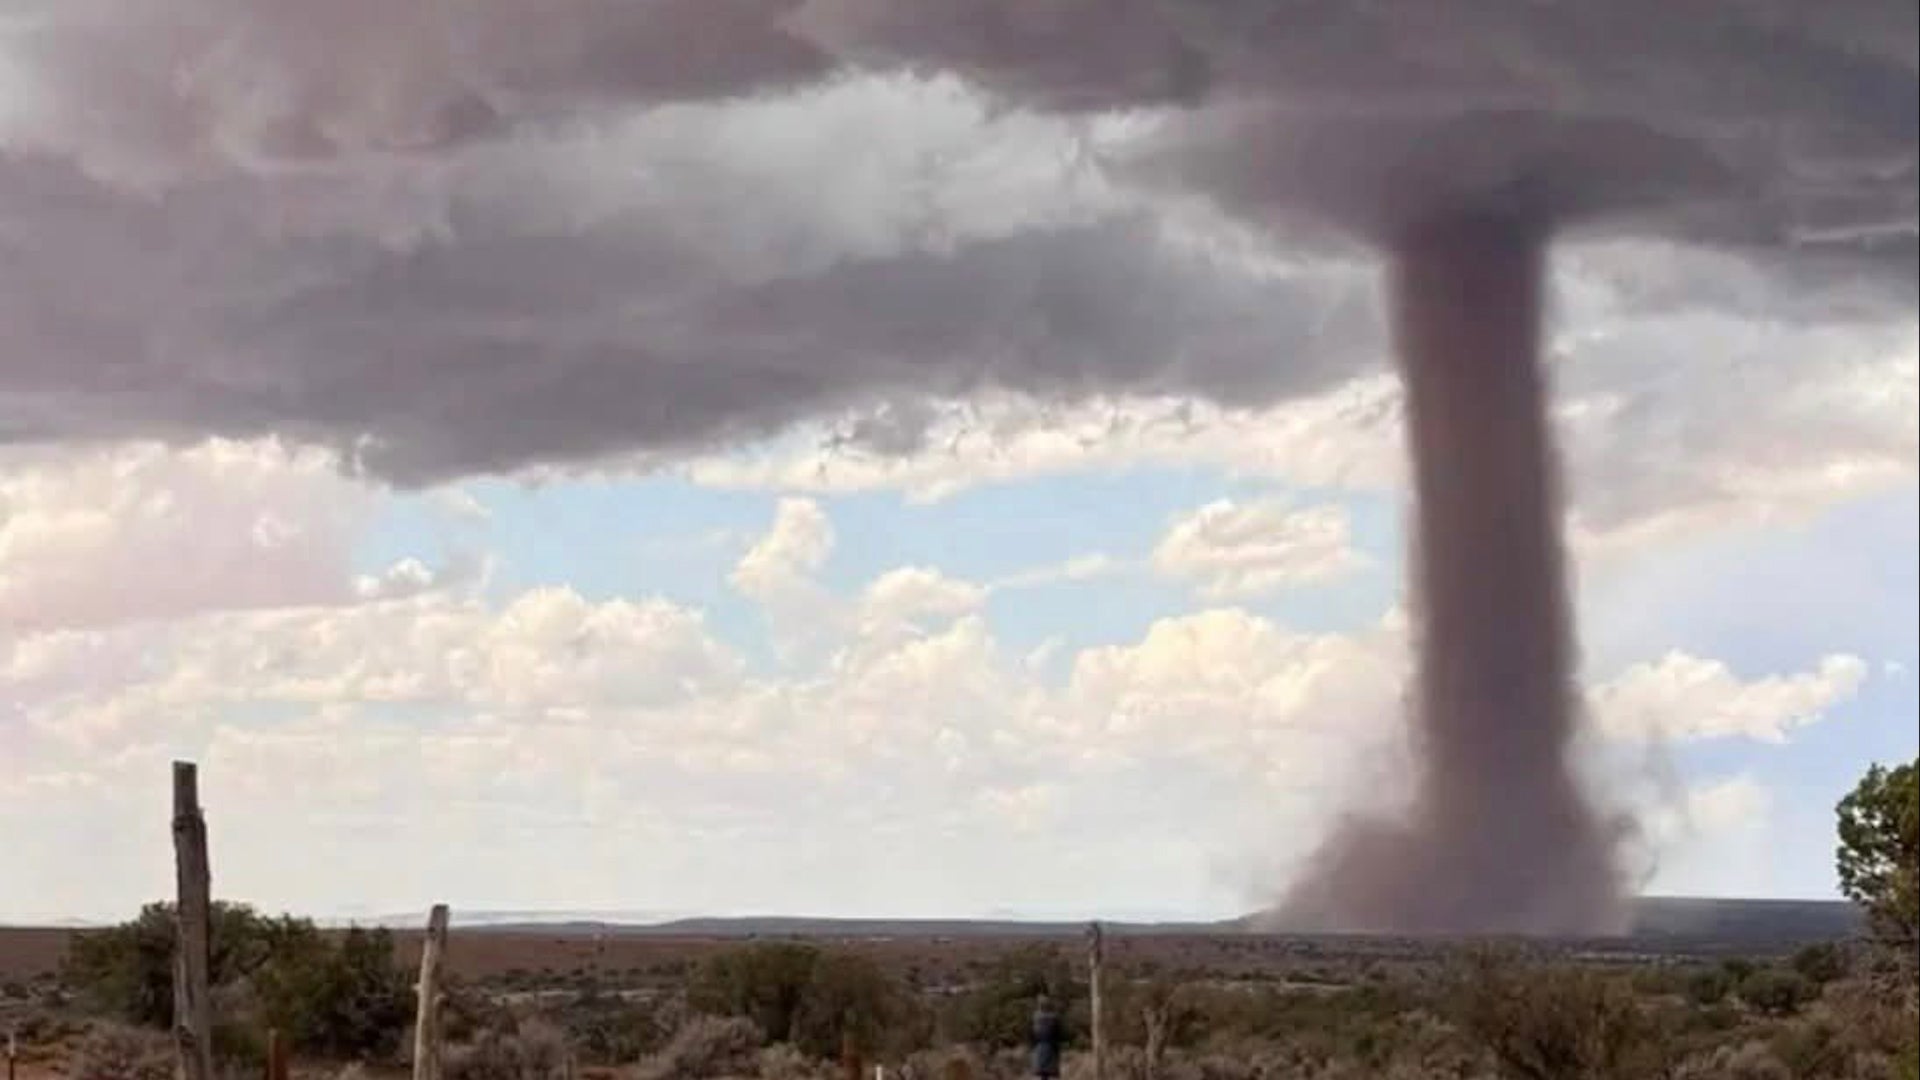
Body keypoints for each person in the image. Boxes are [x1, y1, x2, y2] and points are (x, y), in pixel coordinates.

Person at [1030, 992, 1064, 1079]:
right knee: (1048, 1072)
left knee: (1043, 1073)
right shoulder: (1054, 1017)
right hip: (1050, 1046)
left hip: (1040, 1046)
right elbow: (1058, 1033)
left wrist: (1032, 1046)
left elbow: (1032, 1034)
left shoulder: (1036, 1017)